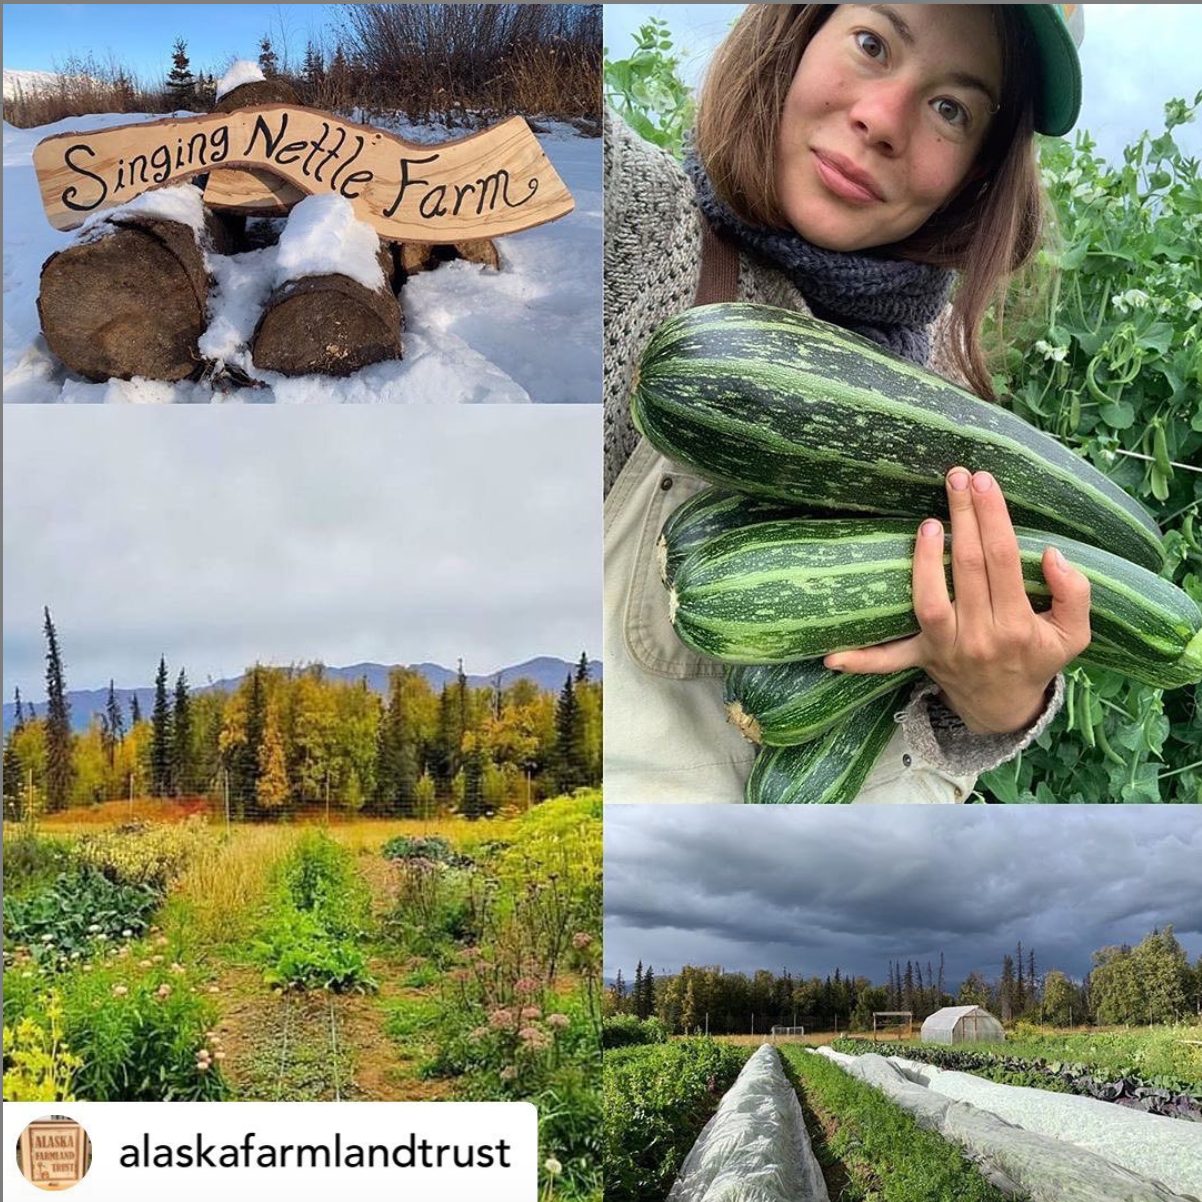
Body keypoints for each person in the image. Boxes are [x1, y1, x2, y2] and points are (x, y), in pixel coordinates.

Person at [603, 4, 1093, 803]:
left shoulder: (954, 408)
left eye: (950, 107)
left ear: (978, 169)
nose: (881, 119)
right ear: (795, 35)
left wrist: (992, 711)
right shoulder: (639, 227)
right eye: (873, 44)